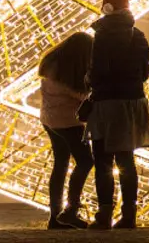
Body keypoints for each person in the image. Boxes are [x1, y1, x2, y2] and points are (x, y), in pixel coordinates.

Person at [84, 0, 149, 229]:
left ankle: (104, 213)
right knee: (126, 160)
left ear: (106, 8)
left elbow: (96, 72)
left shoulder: (101, 37)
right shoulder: (139, 36)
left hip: (105, 103)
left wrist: (91, 80)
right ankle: (129, 214)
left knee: (103, 160)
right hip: (131, 103)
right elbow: (144, 74)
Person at [37, 32, 94, 229]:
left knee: (60, 164)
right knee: (86, 161)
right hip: (67, 122)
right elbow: (80, 95)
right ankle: (70, 209)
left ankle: (55, 216)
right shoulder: (67, 72)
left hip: (49, 120)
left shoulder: (51, 64)